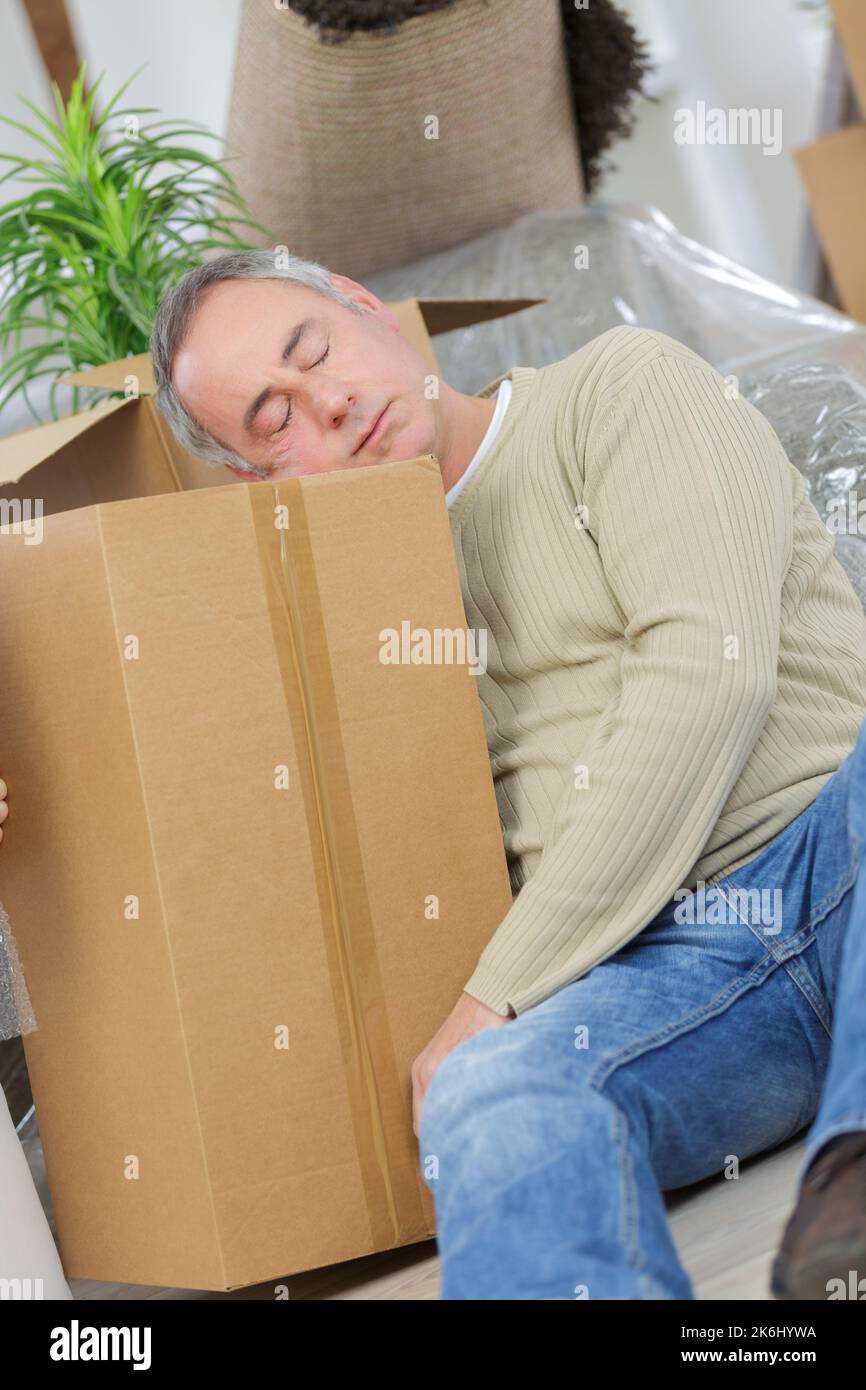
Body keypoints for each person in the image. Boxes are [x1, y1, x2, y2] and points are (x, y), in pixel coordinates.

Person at [150, 249, 866, 1300]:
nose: (333, 402)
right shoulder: (352, 614)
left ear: (365, 307)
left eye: (315, 351)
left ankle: (847, 1192)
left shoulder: (619, 386)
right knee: (480, 1089)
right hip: (667, 976)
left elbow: (705, 683)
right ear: (258, 482)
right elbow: (227, 834)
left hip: (837, 840)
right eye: (276, 419)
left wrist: (493, 991)